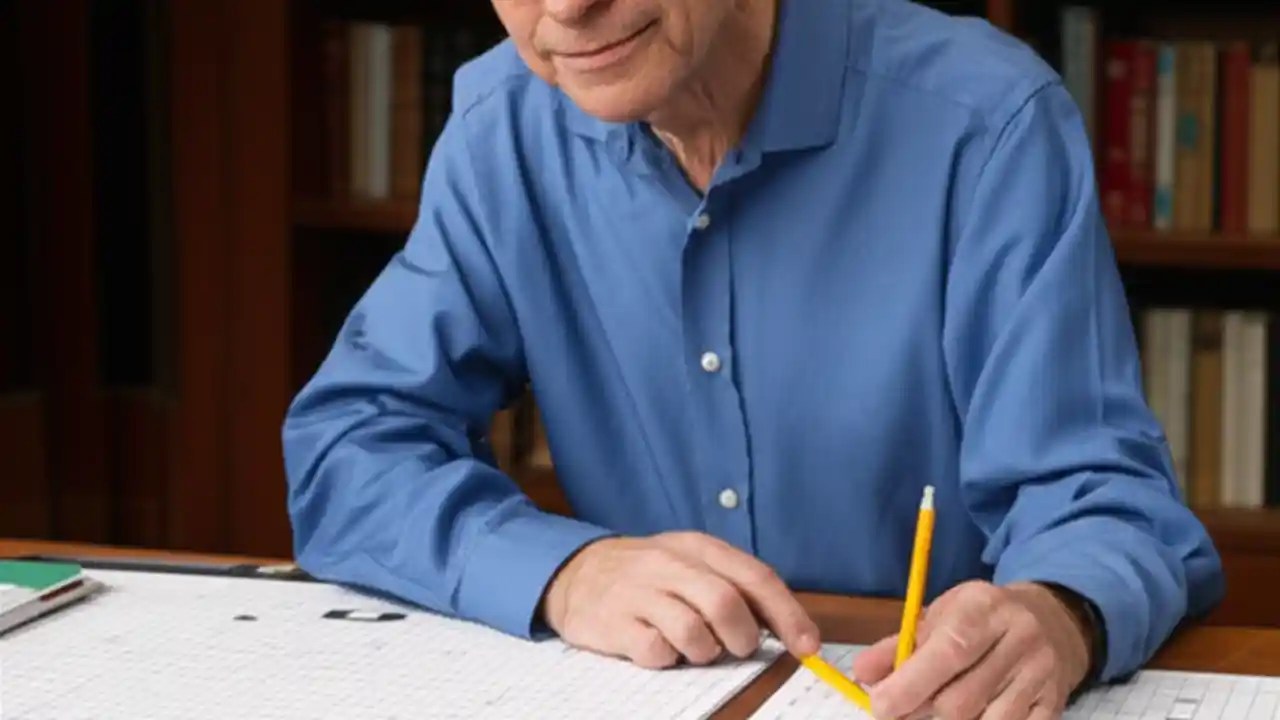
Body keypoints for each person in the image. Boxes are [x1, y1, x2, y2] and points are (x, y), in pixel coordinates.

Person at [282, 0, 1225, 716]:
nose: (565, 10)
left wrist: (1055, 614)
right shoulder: (503, 128)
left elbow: (1106, 499)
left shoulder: (984, 121)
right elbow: (349, 452)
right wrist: (565, 575)